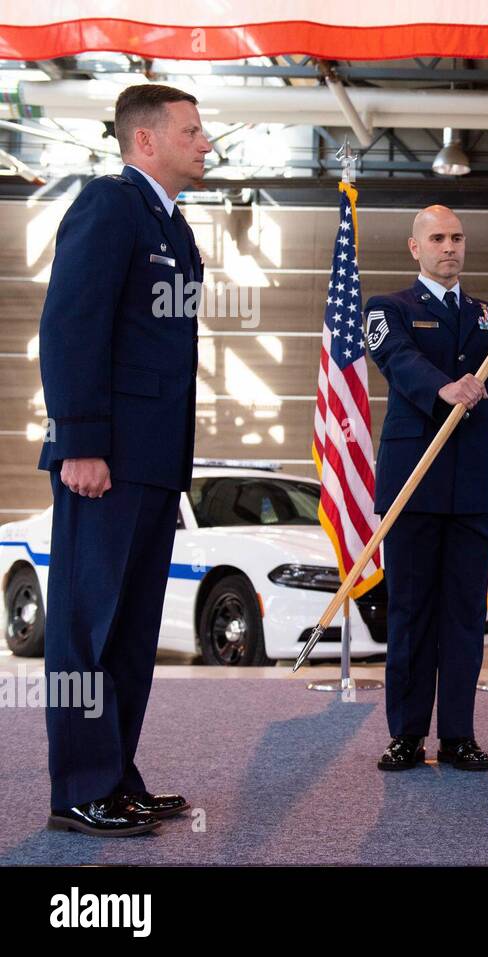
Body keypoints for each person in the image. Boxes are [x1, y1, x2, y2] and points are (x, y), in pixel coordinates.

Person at [38, 84, 211, 836]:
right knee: (88, 627)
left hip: (151, 463)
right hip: (102, 458)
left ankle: (116, 776)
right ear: (146, 140)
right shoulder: (110, 207)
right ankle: (79, 785)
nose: (207, 142)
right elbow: (71, 322)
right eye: (193, 130)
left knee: (133, 631)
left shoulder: (173, 225)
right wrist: (79, 439)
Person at [363, 205, 488, 773]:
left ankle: (459, 735)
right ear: (415, 247)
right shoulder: (387, 308)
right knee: (412, 610)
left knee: (465, 613)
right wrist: (445, 388)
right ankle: (408, 735)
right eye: (437, 238)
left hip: (475, 480)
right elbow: (394, 357)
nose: (450, 247)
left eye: (458, 237)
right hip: (415, 477)